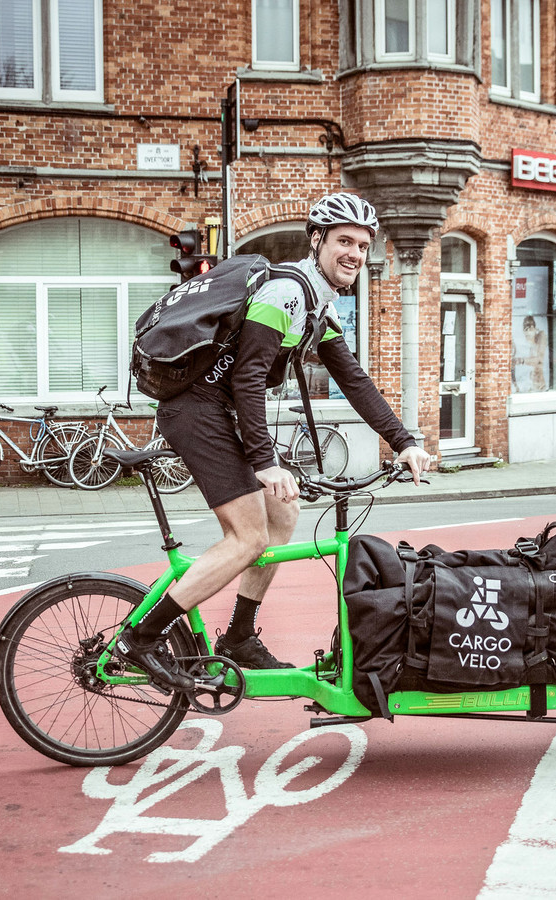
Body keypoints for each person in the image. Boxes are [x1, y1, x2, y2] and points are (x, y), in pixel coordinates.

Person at [121, 192, 432, 690]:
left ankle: (239, 636)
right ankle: (141, 639)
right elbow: (246, 377)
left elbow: (353, 380)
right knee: (248, 537)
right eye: (343, 241)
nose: (354, 252)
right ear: (317, 241)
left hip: (221, 414)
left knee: (283, 512)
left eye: (363, 244)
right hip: (198, 413)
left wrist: (403, 441)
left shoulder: (315, 304)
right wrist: (265, 461)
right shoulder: (285, 294)